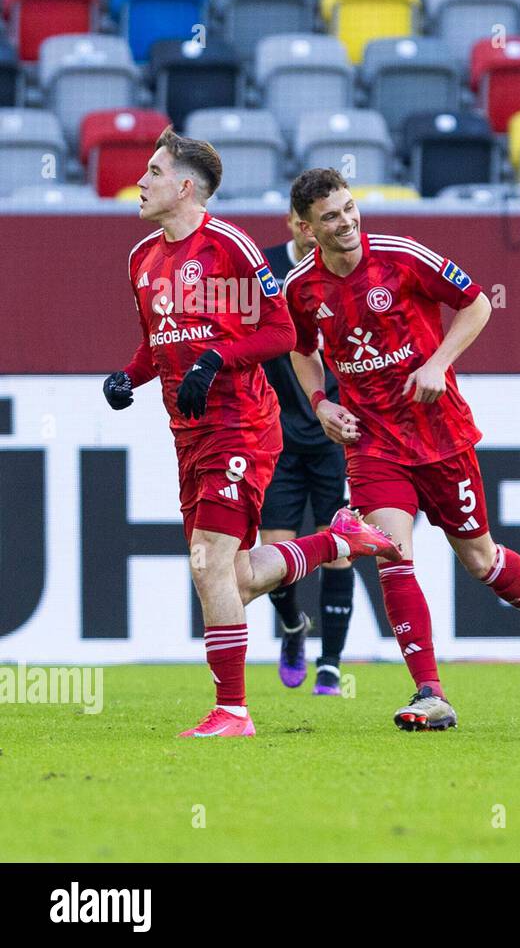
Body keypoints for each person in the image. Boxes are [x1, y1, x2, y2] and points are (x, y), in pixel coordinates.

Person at [102, 128, 397, 738]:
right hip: (188, 433)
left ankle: (233, 711)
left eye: (154, 172)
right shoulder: (141, 259)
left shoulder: (231, 247)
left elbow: (283, 333)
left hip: (242, 424)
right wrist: (128, 376)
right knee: (229, 575)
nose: (142, 181)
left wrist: (217, 360)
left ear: (185, 187)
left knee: (209, 562)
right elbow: (158, 341)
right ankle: (336, 542)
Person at [282, 168, 520, 732]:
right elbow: (302, 349)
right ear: (307, 228)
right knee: (391, 551)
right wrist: (320, 402)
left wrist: (438, 362)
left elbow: (479, 303)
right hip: (372, 443)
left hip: (441, 436)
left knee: (482, 562)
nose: (345, 223)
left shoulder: (401, 256)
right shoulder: (302, 288)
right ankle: (430, 693)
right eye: (329, 217)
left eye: (348, 209)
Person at [259, 209, 354, 696]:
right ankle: (294, 628)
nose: (304, 227)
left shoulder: (339, 270)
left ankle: (332, 664)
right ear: (292, 222)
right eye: (299, 218)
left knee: (337, 546)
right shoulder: (262, 270)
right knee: (274, 553)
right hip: (277, 436)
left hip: (333, 433)